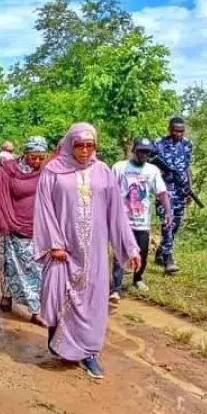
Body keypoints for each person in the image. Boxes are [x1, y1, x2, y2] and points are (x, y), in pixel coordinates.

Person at [34, 122, 141, 379]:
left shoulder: (103, 172)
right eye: (79, 145)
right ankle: (61, 346)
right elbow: (44, 208)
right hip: (64, 249)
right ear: (70, 144)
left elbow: (116, 213)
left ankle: (88, 353)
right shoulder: (53, 171)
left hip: (94, 251)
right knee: (60, 295)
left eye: (89, 145)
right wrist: (54, 244)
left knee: (92, 299)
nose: (84, 150)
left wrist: (129, 247)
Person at [0, 137, 48, 327]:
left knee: (35, 269)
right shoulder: (9, 170)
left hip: (35, 227)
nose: (37, 162)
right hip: (9, 225)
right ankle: (7, 295)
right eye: (34, 157)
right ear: (25, 154)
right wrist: (3, 219)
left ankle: (35, 310)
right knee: (7, 266)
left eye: (41, 158)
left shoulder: (46, 172)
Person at [110, 139, 173, 298]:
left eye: (147, 152)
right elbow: (110, 190)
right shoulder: (120, 167)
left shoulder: (153, 170)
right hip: (122, 219)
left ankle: (137, 278)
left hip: (142, 220)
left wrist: (168, 212)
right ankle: (116, 288)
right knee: (120, 253)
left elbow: (162, 193)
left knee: (143, 252)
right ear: (134, 150)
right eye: (141, 151)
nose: (144, 155)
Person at [153, 117, 193, 274]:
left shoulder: (187, 144)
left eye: (181, 131)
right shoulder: (159, 144)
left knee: (176, 224)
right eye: (176, 130)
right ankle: (168, 258)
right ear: (169, 129)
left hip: (180, 189)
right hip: (164, 189)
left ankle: (161, 251)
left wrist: (189, 188)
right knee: (167, 223)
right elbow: (151, 164)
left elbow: (187, 167)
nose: (179, 133)